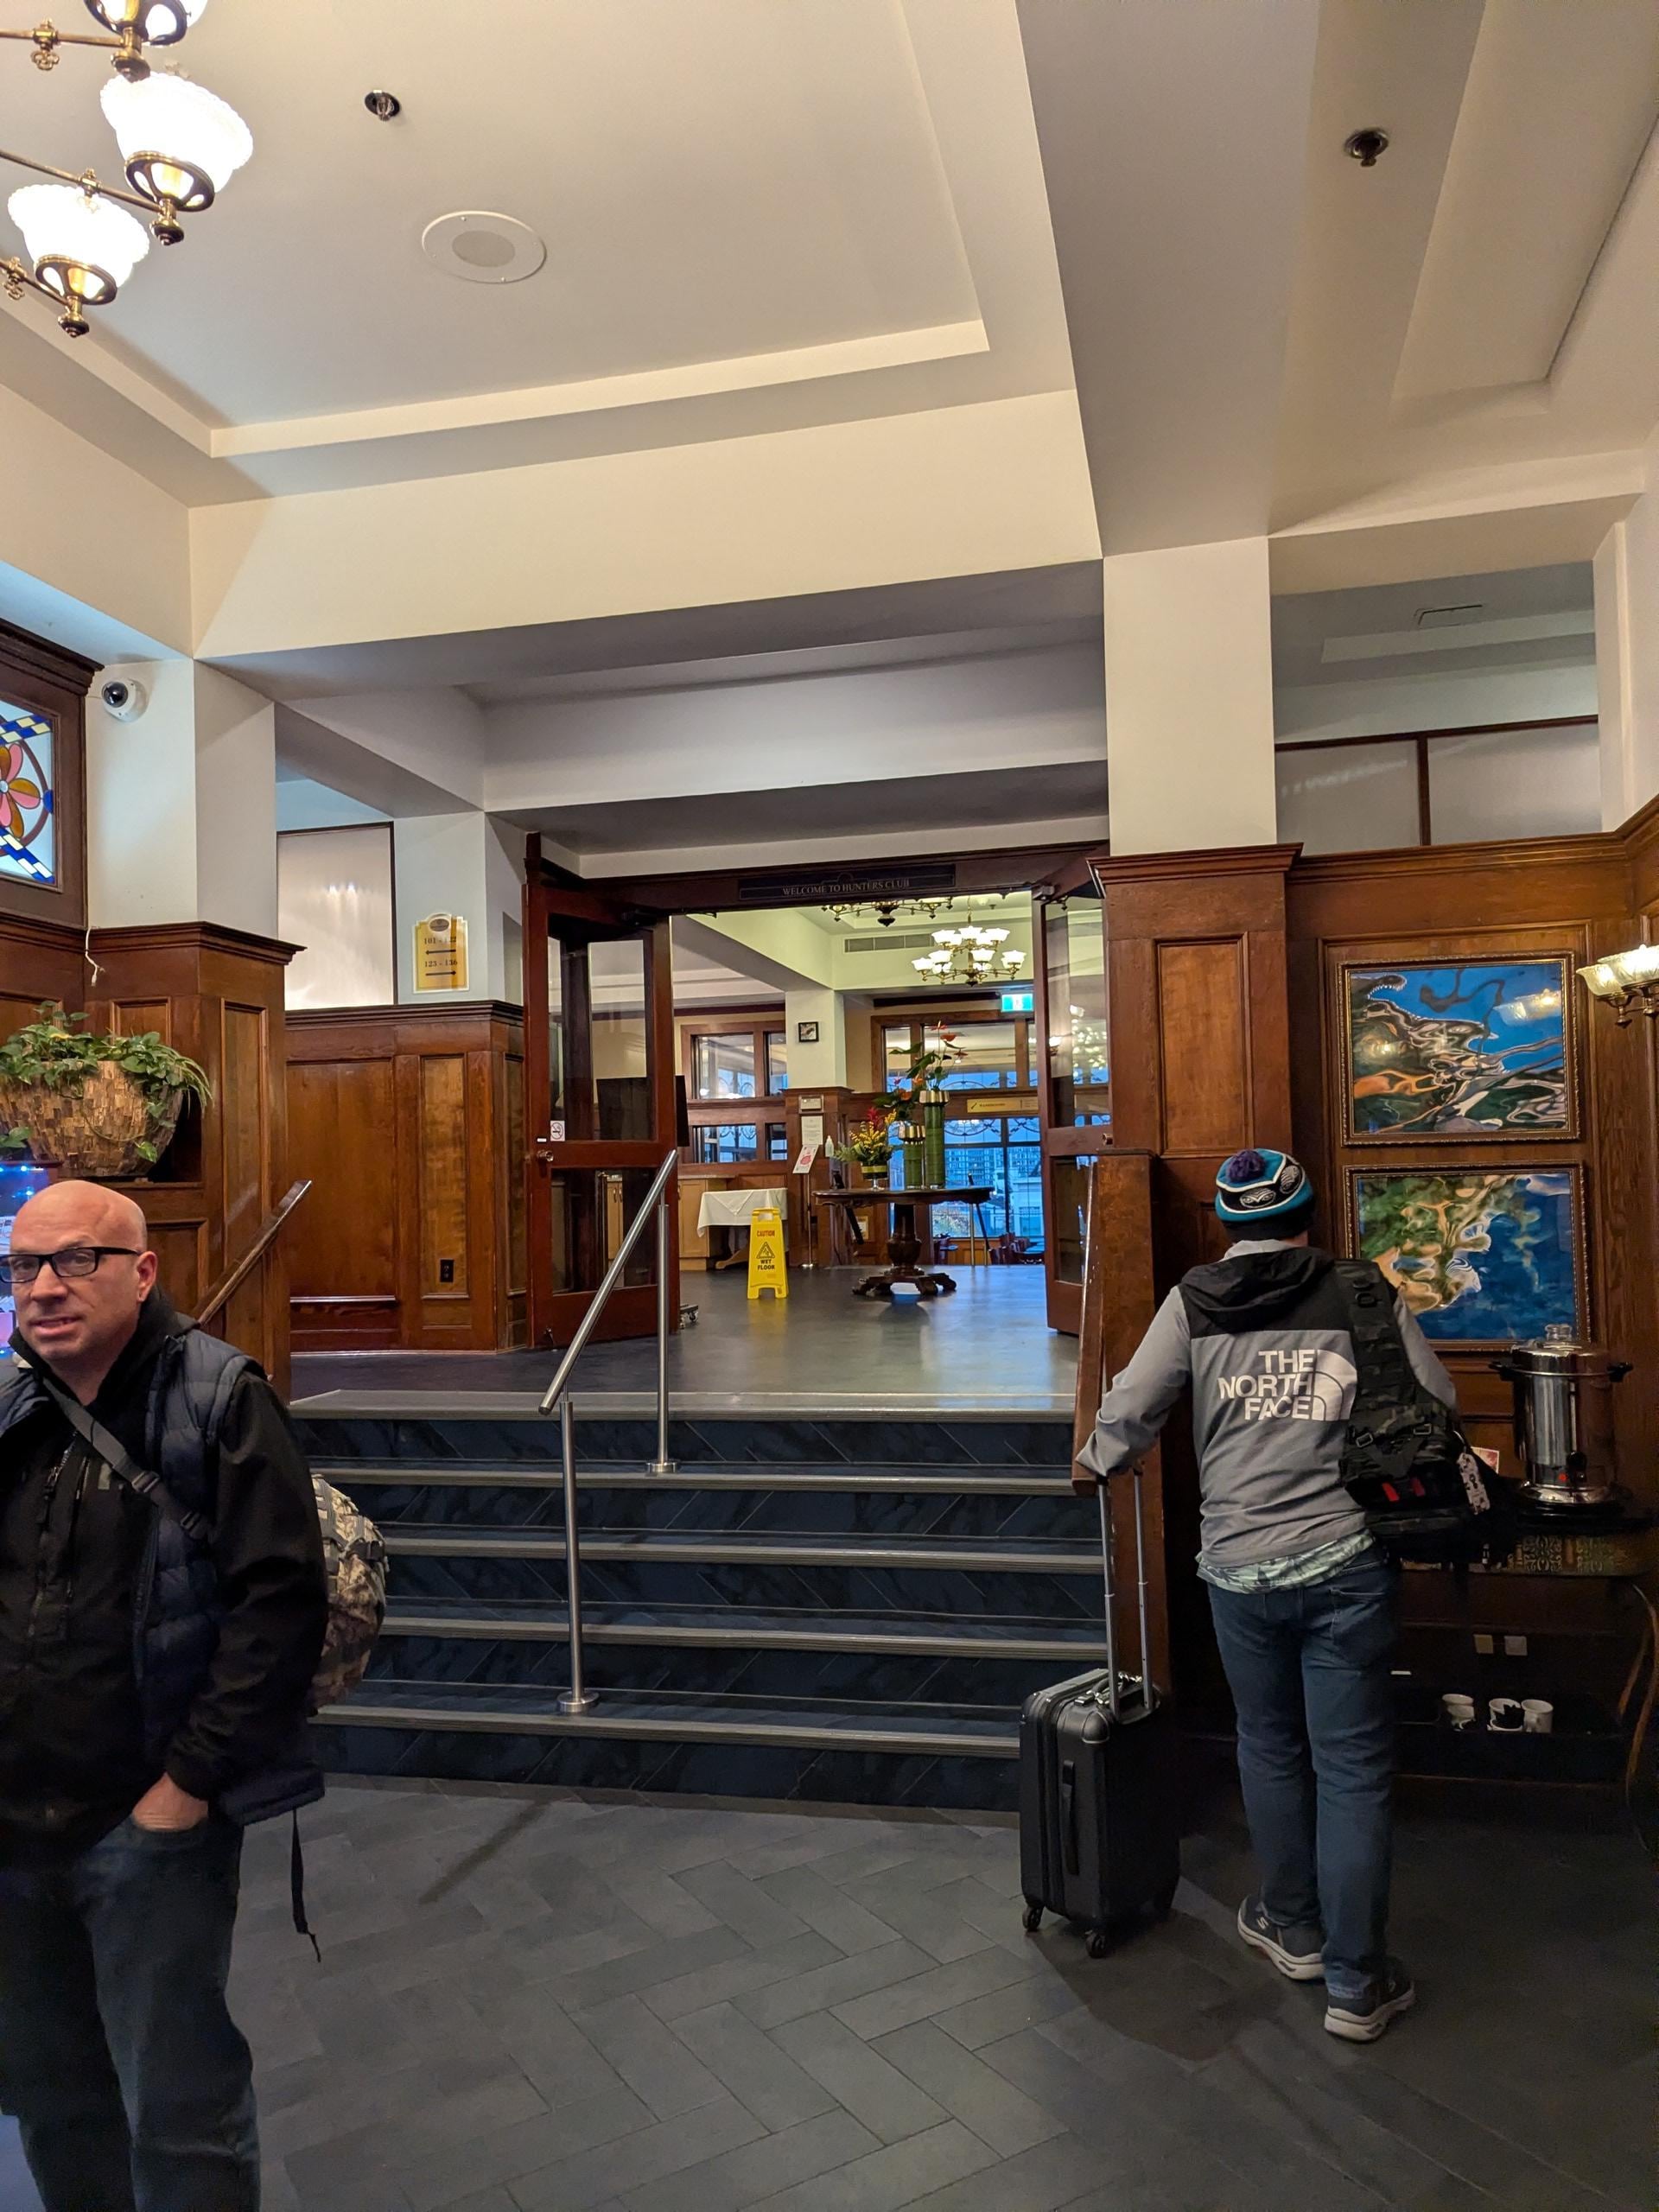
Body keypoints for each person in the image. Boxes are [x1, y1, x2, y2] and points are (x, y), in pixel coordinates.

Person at [1078, 1147, 1457, 2043]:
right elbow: (1437, 1402)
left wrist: (1094, 1459)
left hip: (1239, 1567)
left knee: (1270, 1744)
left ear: (1225, 1221)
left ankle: (1293, 1928)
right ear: (1307, 1216)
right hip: (1347, 1560)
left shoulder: (1195, 1299)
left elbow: (1130, 1408)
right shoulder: (1360, 1289)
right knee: (1352, 1766)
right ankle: (1358, 1984)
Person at [0, 1179, 327, 2210]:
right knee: (53, 2095)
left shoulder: (218, 1398)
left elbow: (279, 1609)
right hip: (15, 1829)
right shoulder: (11, 1403)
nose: (44, 1288)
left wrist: (185, 1786)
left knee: (180, 2110)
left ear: (142, 1271)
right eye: (24, 1266)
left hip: (145, 1829)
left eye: (75, 1260)